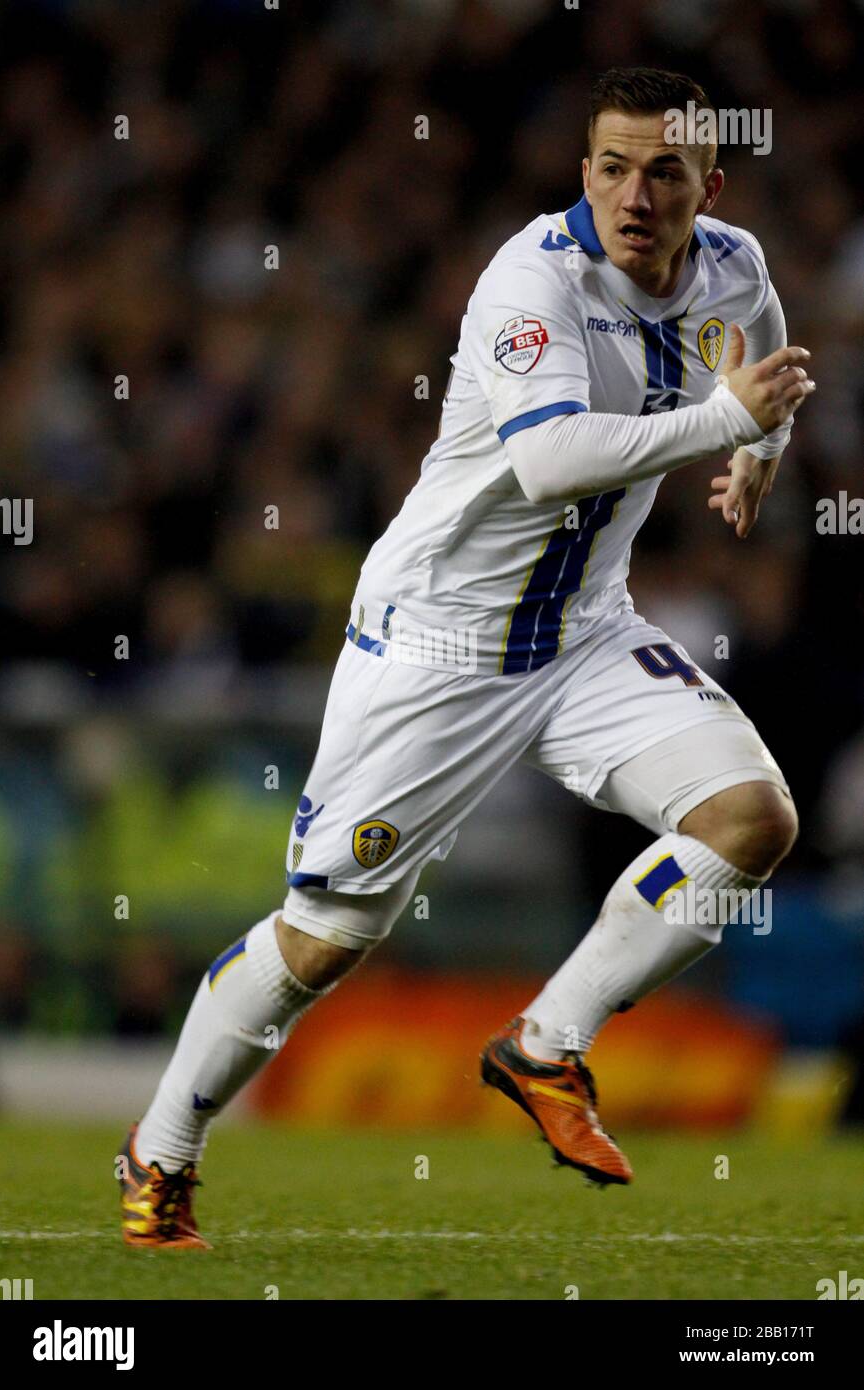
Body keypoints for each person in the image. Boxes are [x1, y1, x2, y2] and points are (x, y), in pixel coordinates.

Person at [119, 66, 814, 1249]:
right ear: (580, 168)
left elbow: (767, 356)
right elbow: (549, 463)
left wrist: (759, 448)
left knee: (750, 818)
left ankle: (543, 1045)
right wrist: (727, 425)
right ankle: (159, 1152)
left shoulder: (732, 263)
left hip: (584, 629)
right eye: (608, 165)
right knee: (322, 941)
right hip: (438, 646)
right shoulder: (528, 280)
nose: (631, 194)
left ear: (709, 179)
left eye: (661, 170)